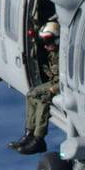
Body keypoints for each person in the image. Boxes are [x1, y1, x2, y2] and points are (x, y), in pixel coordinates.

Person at [9, 20, 60, 154]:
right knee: (31, 95)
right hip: (55, 81)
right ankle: (29, 133)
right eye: (44, 41)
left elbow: (68, 79)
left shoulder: (64, 54)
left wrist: (53, 89)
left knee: (43, 98)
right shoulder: (51, 52)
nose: (46, 45)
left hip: (62, 84)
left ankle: (39, 139)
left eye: (48, 41)